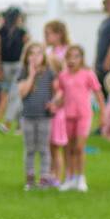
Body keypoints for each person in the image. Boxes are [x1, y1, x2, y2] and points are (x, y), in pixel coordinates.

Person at [52, 45, 104, 192]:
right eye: (69, 57)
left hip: (83, 115)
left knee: (79, 147)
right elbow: (62, 94)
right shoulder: (63, 76)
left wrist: (102, 113)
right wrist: (55, 103)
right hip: (68, 115)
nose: (72, 60)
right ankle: (69, 177)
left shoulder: (88, 74)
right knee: (68, 147)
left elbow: (98, 94)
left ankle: (80, 177)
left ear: (81, 59)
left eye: (76, 57)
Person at [15, 42, 55, 188]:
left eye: (39, 53)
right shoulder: (23, 71)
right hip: (28, 116)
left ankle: (44, 177)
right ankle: (30, 177)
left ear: (43, 56)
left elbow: (56, 90)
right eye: (32, 53)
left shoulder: (49, 71)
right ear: (27, 56)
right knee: (30, 148)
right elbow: (23, 92)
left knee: (44, 148)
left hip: (44, 116)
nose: (35, 57)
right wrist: (31, 75)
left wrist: (54, 102)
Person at [43, 21, 71, 184]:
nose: (46, 37)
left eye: (49, 33)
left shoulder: (67, 52)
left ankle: (67, 173)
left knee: (64, 142)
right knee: (51, 144)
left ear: (59, 33)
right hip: (50, 101)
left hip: (64, 103)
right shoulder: (47, 51)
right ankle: (53, 174)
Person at [0, 8, 27, 132]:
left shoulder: (22, 32)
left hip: (18, 65)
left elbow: (27, 49)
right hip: (5, 65)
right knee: (8, 94)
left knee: (15, 94)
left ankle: (7, 123)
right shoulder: (1, 32)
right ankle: (18, 123)